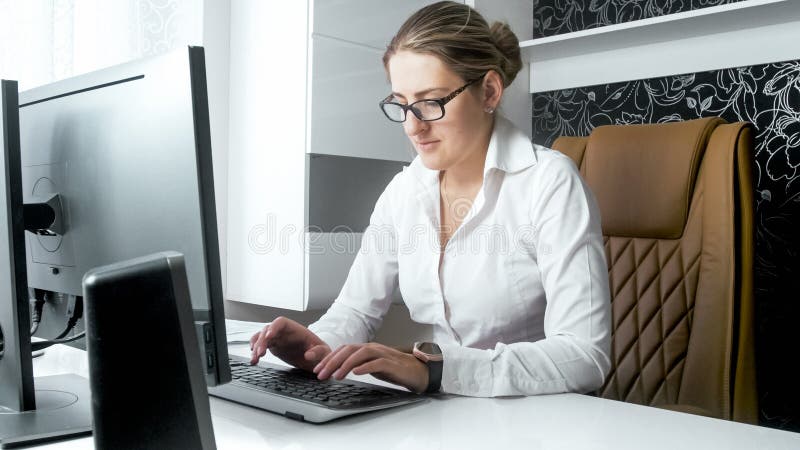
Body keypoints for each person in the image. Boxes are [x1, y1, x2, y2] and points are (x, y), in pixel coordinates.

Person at [250, 1, 611, 397]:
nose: (412, 126)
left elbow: (584, 354)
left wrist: (438, 371)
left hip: (545, 419)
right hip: (446, 414)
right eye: (401, 104)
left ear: (489, 90)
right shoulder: (404, 191)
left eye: (431, 102)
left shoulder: (549, 183)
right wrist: (316, 345)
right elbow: (355, 310)